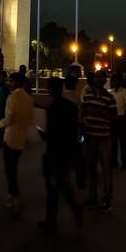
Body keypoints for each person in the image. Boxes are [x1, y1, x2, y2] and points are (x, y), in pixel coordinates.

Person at [38, 77, 83, 236]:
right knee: (59, 186)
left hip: (54, 153)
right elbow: (74, 130)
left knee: (55, 188)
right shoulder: (70, 107)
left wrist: (44, 136)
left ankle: (54, 220)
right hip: (66, 152)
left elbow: (53, 134)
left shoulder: (53, 108)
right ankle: (57, 218)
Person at [0, 72, 34, 217]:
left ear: (17, 83)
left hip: (10, 138)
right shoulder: (28, 98)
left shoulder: (12, 97)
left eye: (11, 81)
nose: (8, 83)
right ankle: (10, 196)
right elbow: (30, 119)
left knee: (10, 171)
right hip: (21, 138)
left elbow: (9, 119)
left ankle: (16, 199)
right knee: (13, 168)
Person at [80, 70, 117, 212]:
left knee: (106, 169)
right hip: (89, 135)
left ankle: (107, 199)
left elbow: (113, 116)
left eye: (101, 78)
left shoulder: (109, 98)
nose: (98, 80)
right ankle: (92, 197)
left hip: (104, 137)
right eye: (96, 77)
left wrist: (99, 113)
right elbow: (84, 110)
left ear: (104, 81)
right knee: (91, 168)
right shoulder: (88, 94)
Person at [110, 75, 126, 171]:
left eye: (115, 80)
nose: (114, 82)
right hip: (112, 119)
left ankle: (124, 163)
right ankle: (114, 162)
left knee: (122, 142)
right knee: (113, 142)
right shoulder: (110, 93)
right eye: (113, 80)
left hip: (120, 119)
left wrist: (124, 116)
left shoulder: (125, 92)